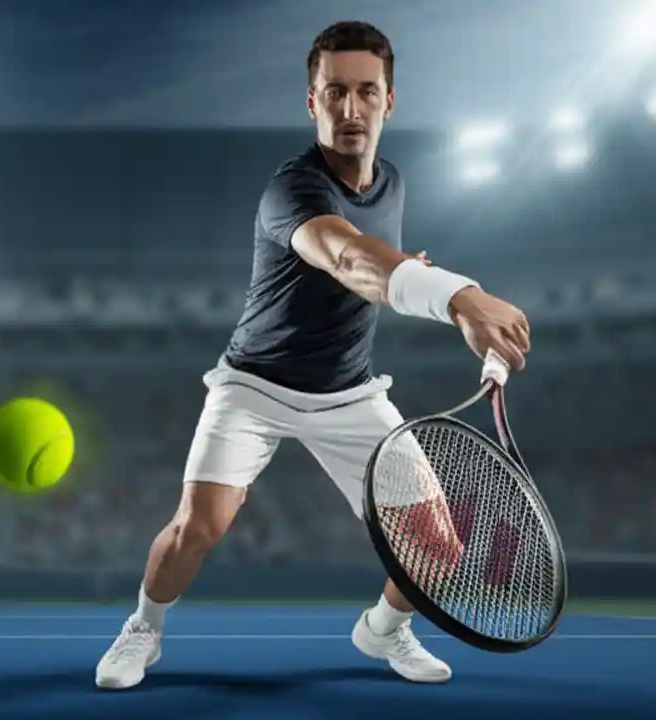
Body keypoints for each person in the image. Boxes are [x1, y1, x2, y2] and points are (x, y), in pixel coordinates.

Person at [95, 20, 532, 689]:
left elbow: (372, 263)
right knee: (198, 527)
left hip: (350, 393)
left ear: (390, 101)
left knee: (438, 549)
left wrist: (402, 271)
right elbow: (348, 256)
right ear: (312, 102)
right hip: (255, 386)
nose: (351, 108)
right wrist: (457, 296)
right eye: (335, 93)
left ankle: (383, 632)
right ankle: (143, 630)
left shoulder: (393, 183)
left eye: (366, 92)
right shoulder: (290, 190)